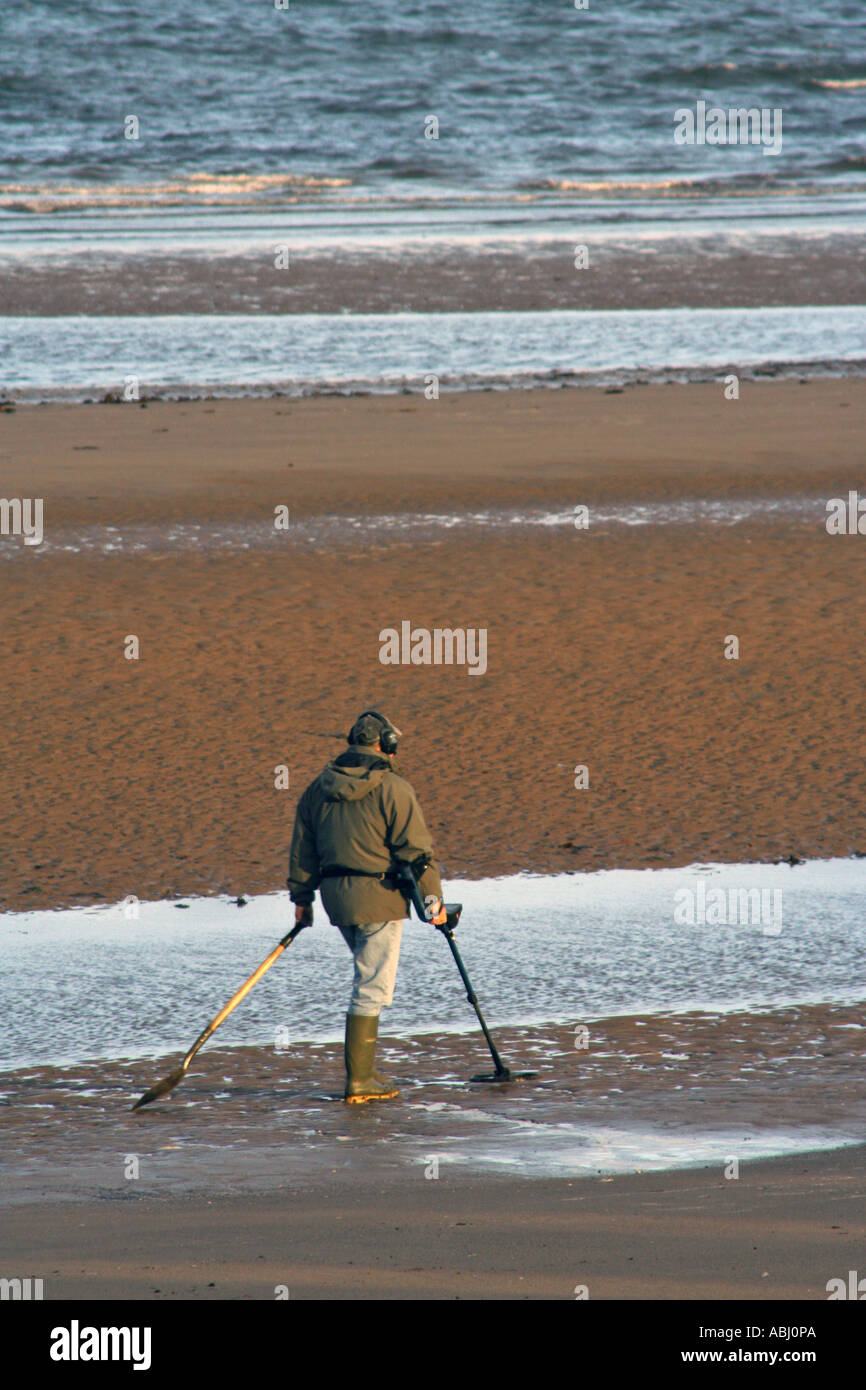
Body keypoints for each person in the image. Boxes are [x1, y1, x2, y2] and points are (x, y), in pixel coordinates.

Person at [286, 710, 446, 1104]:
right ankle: (360, 1080)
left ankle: (365, 1073)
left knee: (367, 976)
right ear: (386, 746)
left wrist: (302, 900)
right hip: (379, 897)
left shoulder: (315, 789)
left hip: (336, 899)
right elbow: (417, 855)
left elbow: (303, 853)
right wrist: (433, 902)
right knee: (372, 985)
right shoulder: (394, 788)